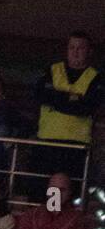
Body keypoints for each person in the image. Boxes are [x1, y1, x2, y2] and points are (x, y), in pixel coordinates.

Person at [33, 31, 101, 173]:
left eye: (80, 48)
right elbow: (40, 95)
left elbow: (87, 107)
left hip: (76, 144)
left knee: (69, 189)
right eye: (72, 47)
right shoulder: (52, 70)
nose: (75, 52)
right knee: (45, 189)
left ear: (89, 51)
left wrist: (57, 98)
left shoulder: (96, 78)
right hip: (47, 140)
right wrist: (72, 99)